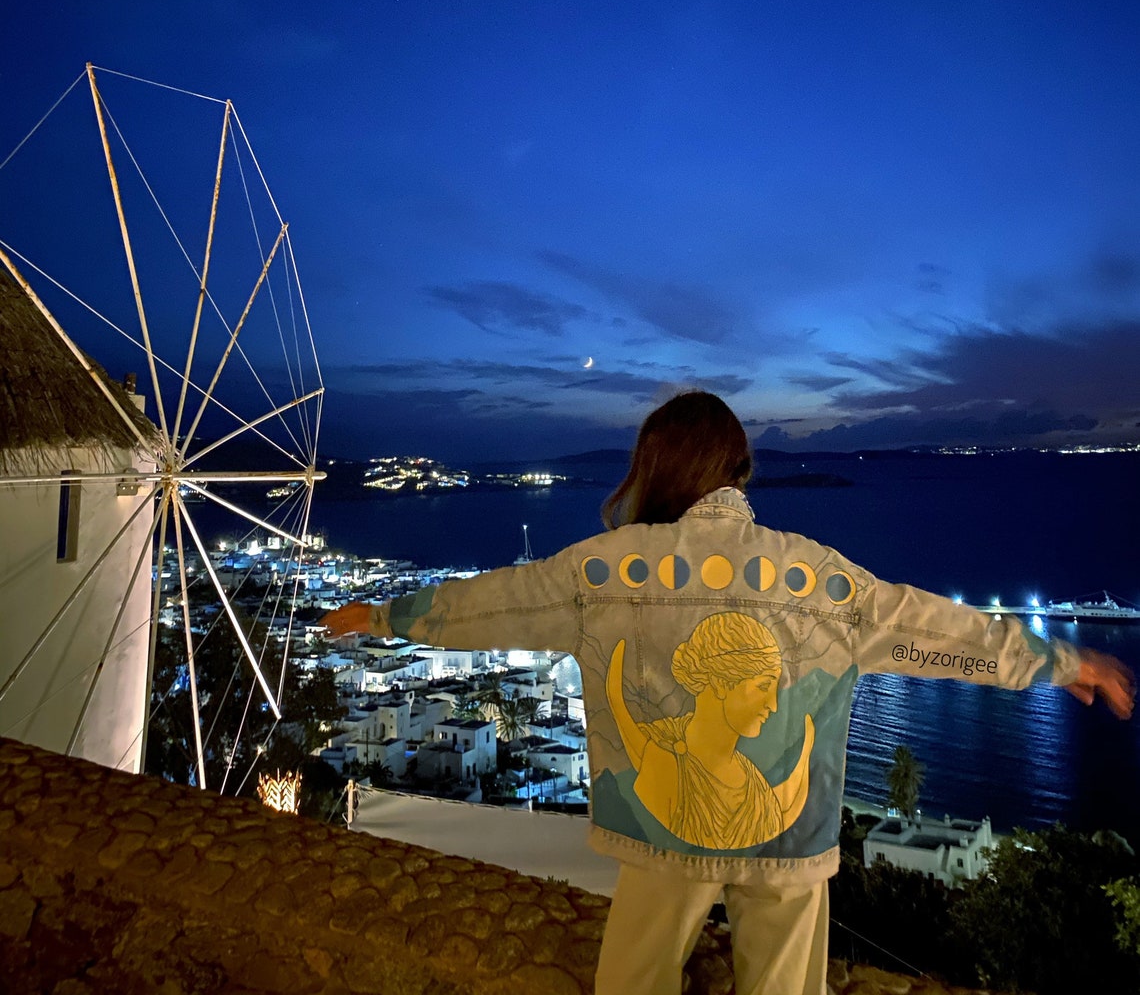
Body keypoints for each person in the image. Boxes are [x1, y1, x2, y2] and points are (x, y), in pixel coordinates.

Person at [322, 391, 1135, 995]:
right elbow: (939, 630)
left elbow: (492, 603)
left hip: (660, 832)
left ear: (654, 469)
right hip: (789, 844)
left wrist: (386, 615)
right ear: (738, 471)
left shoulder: (605, 568)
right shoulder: (819, 575)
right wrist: (1060, 664)